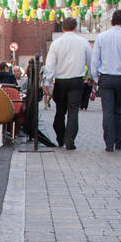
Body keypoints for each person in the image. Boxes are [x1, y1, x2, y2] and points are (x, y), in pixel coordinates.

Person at [90, 9, 121, 152]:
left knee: (107, 111)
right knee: (119, 111)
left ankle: (109, 143)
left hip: (106, 77)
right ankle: (120, 141)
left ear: (112, 20)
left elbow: (95, 60)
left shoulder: (101, 37)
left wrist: (96, 77)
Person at [41, 18, 93, 149]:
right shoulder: (83, 42)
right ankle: (70, 140)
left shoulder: (56, 43)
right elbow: (91, 61)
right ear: (76, 27)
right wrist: (92, 75)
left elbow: (50, 64)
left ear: (63, 28)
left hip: (60, 81)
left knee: (60, 110)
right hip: (76, 80)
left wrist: (47, 81)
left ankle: (60, 136)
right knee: (73, 111)